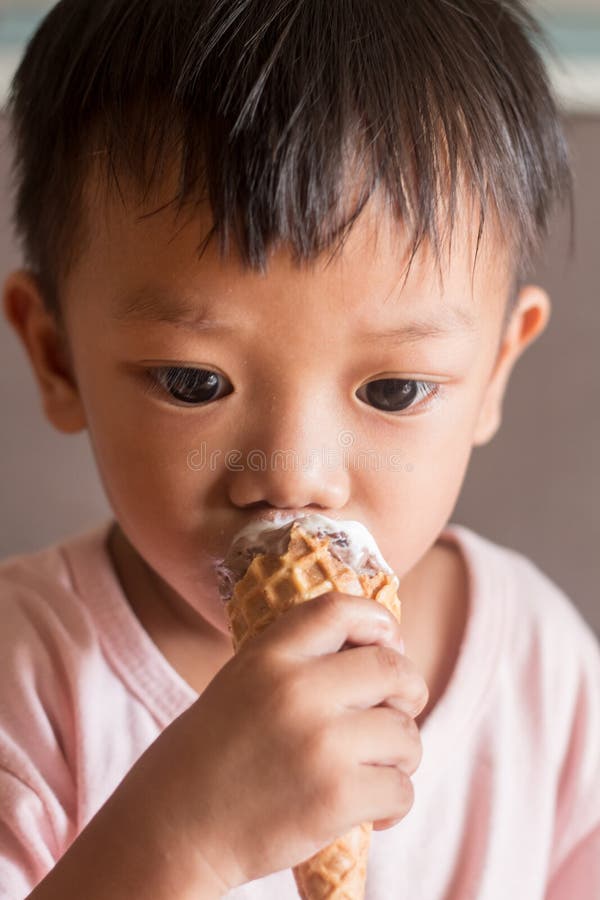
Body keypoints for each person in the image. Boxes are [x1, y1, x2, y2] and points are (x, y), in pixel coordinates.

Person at [1, 0, 598, 897]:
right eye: (194, 383)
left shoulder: (540, 667)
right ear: (57, 358)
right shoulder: (25, 678)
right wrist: (181, 844)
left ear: (494, 372)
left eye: (393, 390)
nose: (293, 473)